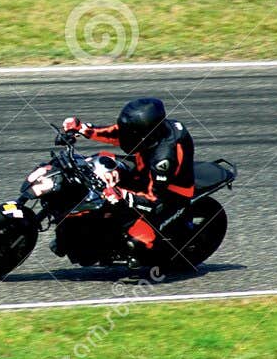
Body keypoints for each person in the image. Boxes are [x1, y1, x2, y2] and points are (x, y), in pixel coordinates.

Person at [61, 96, 195, 263]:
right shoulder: (150, 132)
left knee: (135, 241)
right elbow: (116, 132)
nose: (125, 135)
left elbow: (154, 200)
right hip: (144, 169)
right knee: (101, 161)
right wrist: (82, 129)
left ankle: (158, 255)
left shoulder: (164, 159)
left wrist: (122, 194)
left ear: (145, 135)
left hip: (170, 194)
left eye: (130, 133)